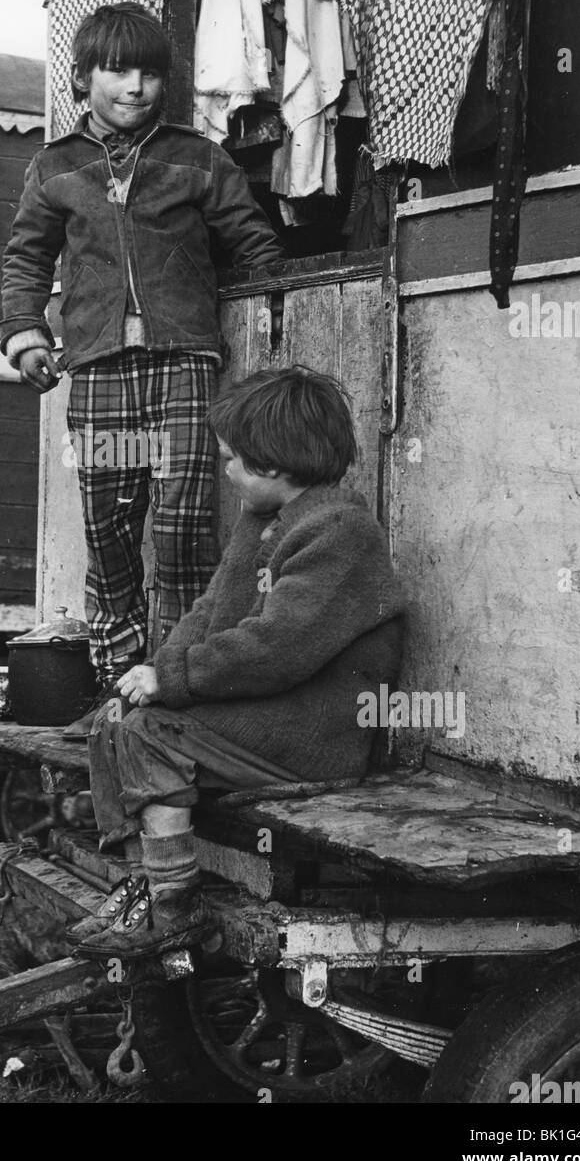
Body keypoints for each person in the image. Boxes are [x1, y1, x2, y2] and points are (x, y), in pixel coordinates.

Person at [0, 2, 289, 720]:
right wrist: (24, 335)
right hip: (98, 368)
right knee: (109, 519)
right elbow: (24, 259)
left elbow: (252, 239)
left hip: (182, 363)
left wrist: (270, 321)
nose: (134, 87)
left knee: (184, 519)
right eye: (116, 70)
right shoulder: (56, 166)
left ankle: (175, 671)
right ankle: (114, 671)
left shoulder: (195, 157)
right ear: (82, 79)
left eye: (150, 73)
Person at [68, 365, 406, 959]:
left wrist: (174, 681)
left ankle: (173, 904)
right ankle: (143, 886)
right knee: (116, 724)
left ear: (274, 466)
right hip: (268, 717)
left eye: (233, 461)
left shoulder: (340, 531)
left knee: (151, 736)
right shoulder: (264, 521)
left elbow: (277, 648)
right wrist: (156, 673)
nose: (225, 474)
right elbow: (210, 612)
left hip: (312, 733)